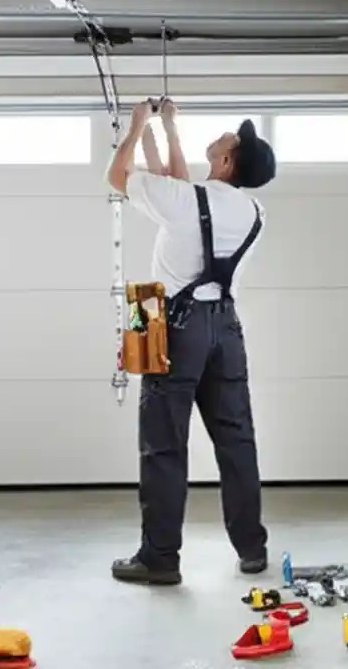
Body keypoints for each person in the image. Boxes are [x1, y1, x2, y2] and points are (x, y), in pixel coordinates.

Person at [105, 99, 277, 586]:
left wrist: (137, 127)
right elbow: (184, 188)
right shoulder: (253, 211)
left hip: (177, 330)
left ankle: (160, 557)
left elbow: (118, 178)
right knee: (237, 441)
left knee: (164, 446)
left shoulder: (186, 202)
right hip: (226, 329)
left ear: (226, 161)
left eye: (231, 140)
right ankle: (251, 548)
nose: (225, 135)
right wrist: (169, 127)